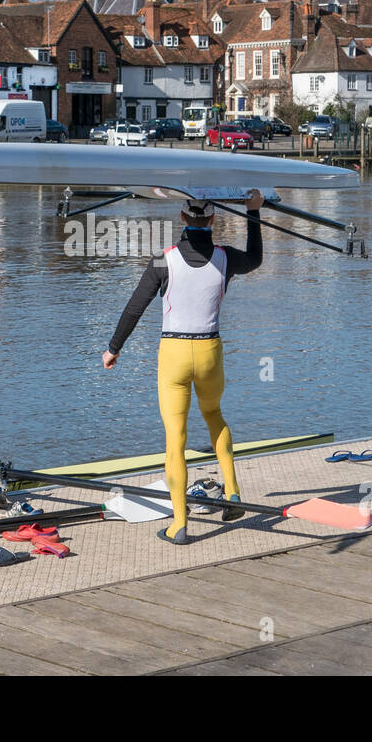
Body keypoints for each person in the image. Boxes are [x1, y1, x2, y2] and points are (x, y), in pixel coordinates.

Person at [102, 190, 264, 545]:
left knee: (175, 439)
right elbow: (255, 258)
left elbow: (134, 308)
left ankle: (179, 524)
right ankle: (233, 492)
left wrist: (113, 349)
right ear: (212, 220)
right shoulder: (226, 258)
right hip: (210, 352)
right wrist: (253, 214)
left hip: (174, 354)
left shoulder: (163, 259)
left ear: (181, 218)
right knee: (215, 415)